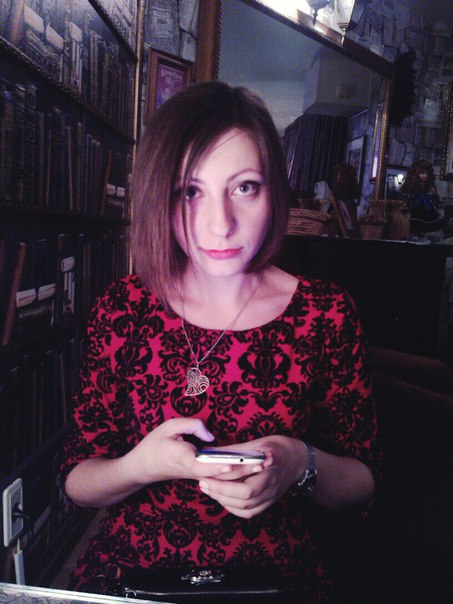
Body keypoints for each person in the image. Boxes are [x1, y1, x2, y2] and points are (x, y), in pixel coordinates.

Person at [61, 81, 380, 603]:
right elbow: (78, 481)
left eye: (244, 187)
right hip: (135, 576)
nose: (220, 224)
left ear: (274, 190)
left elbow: (362, 481)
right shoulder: (123, 309)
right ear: (161, 197)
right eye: (191, 191)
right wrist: (141, 466)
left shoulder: (326, 313)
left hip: (277, 578)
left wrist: (297, 462)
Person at [400, 159, 443, 235]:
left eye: (427, 173)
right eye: (422, 173)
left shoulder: (429, 186)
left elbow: (436, 202)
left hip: (428, 213)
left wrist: (433, 195)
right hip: (414, 212)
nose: (425, 176)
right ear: (416, 174)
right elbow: (406, 201)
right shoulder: (411, 186)